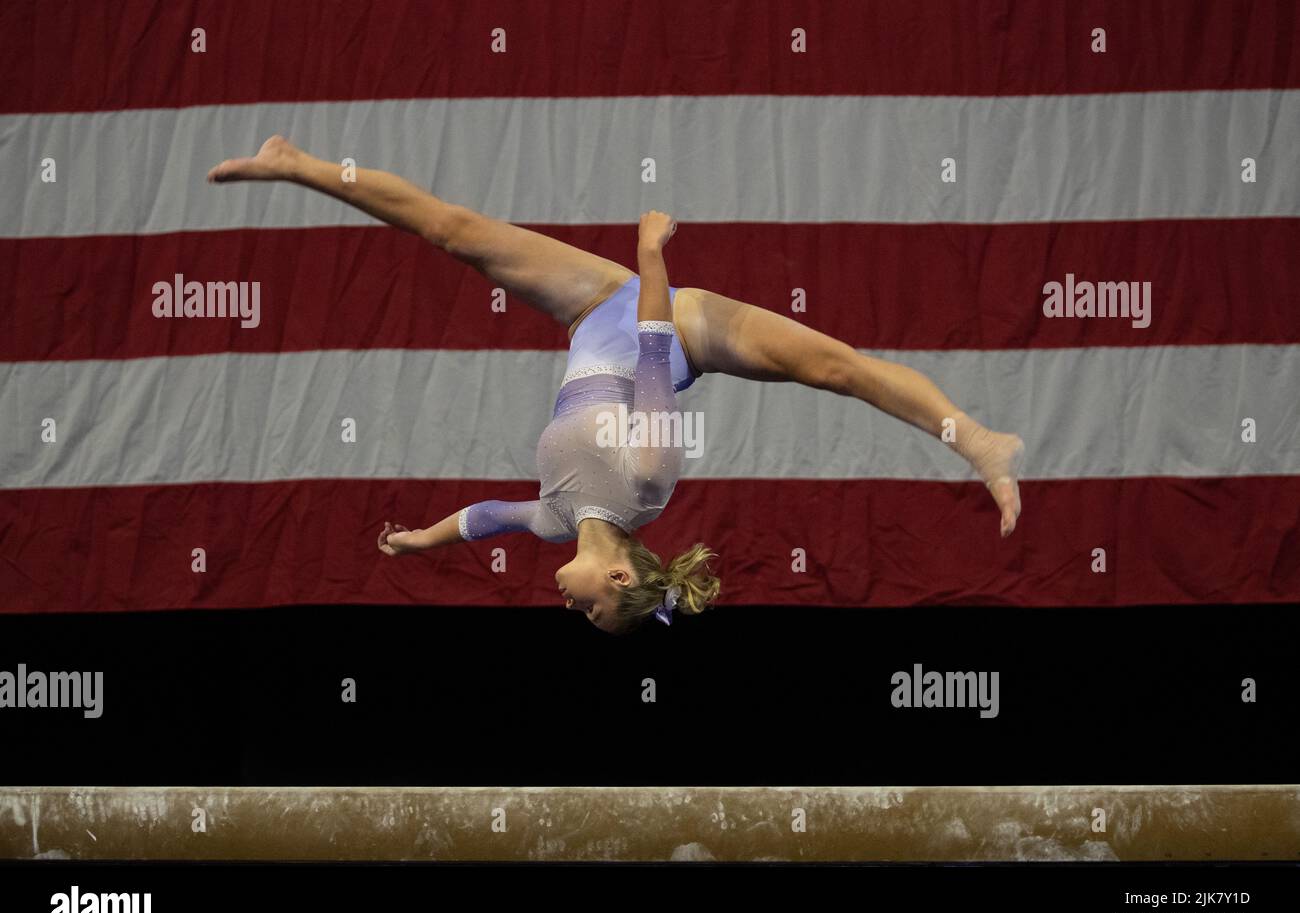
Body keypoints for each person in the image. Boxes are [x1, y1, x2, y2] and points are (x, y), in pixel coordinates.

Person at [208, 137, 1024, 633]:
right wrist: (652, 257)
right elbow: (655, 348)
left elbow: (492, 518)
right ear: (624, 578)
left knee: (452, 234)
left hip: (593, 311)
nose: (571, 608)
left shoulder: (564, 522)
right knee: (840, 368)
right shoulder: (647, 487)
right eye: (592, 611)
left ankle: (295, 165)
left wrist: (422, 540)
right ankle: (977, 438)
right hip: (673, 322)